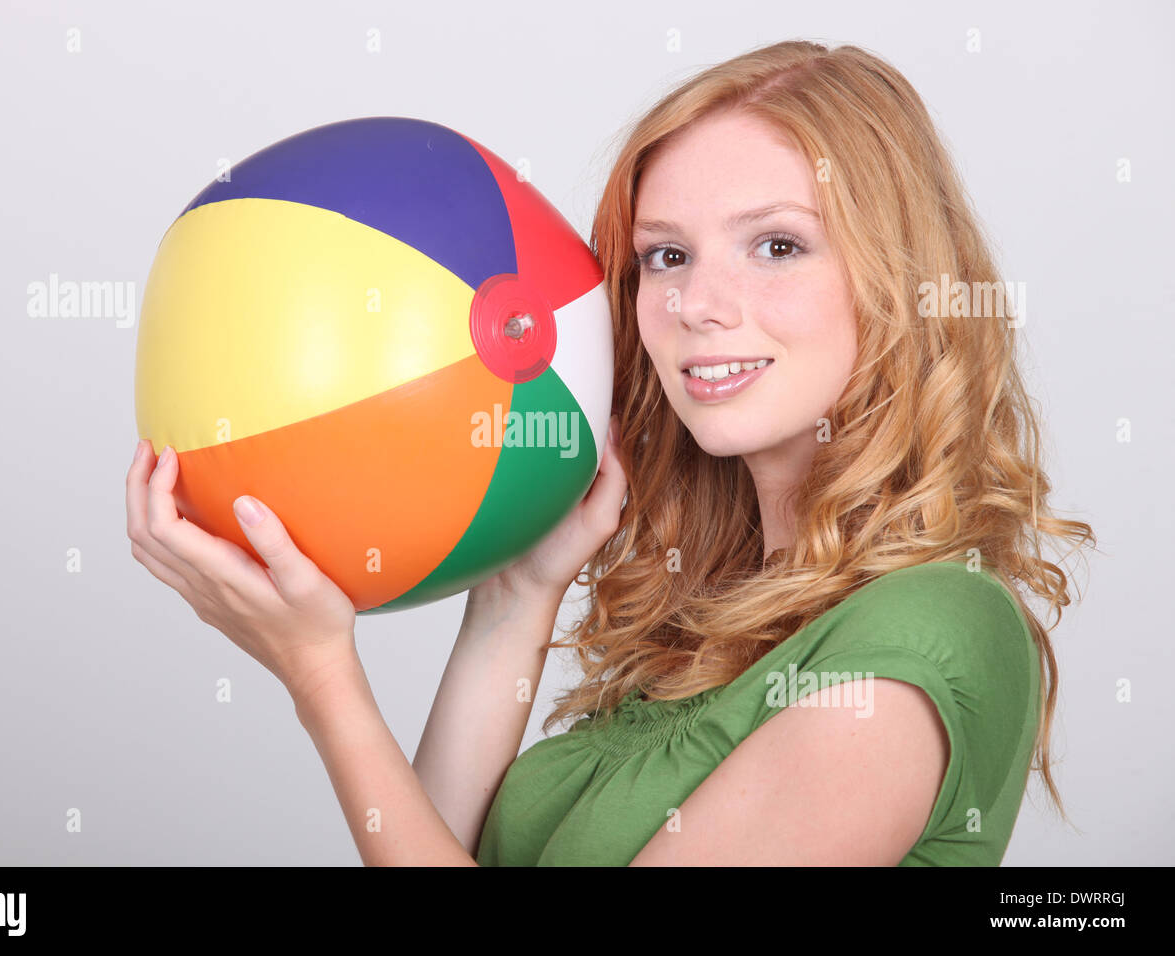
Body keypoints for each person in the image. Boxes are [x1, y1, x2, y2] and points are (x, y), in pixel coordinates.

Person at [125, 39, 1095, 866]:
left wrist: (321, 677)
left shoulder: (924, 632)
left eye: (775, 246)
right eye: (665, 255)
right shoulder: (720, 605)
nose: (696, 304)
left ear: (897, 278)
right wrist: (517, 595)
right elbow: (432, 840)